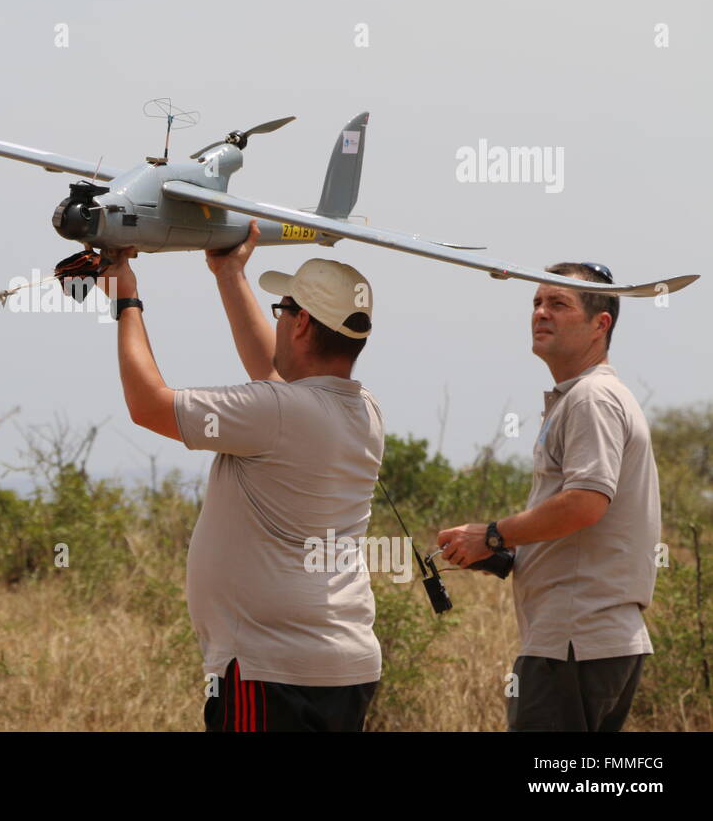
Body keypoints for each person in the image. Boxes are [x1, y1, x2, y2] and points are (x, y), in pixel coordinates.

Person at [104, 221, 384, 731]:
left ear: (300, 325)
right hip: (340, 663)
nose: (278, 321)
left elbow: (147, 406)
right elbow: (274, 375)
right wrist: (229, 274)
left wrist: (127, 301)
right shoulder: (360, 408)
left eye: (284, 311)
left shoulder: (279, 412)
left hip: (272, 670)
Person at [436, 262, 660, 732]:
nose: (541, 313)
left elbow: (584, 504)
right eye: (537, 303)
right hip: (594, 641)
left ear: (602, 324)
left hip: (573, 642)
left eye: (558, 304)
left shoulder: (590, 399)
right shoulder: (587, 396)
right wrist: (505, 552)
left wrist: (493, 535)